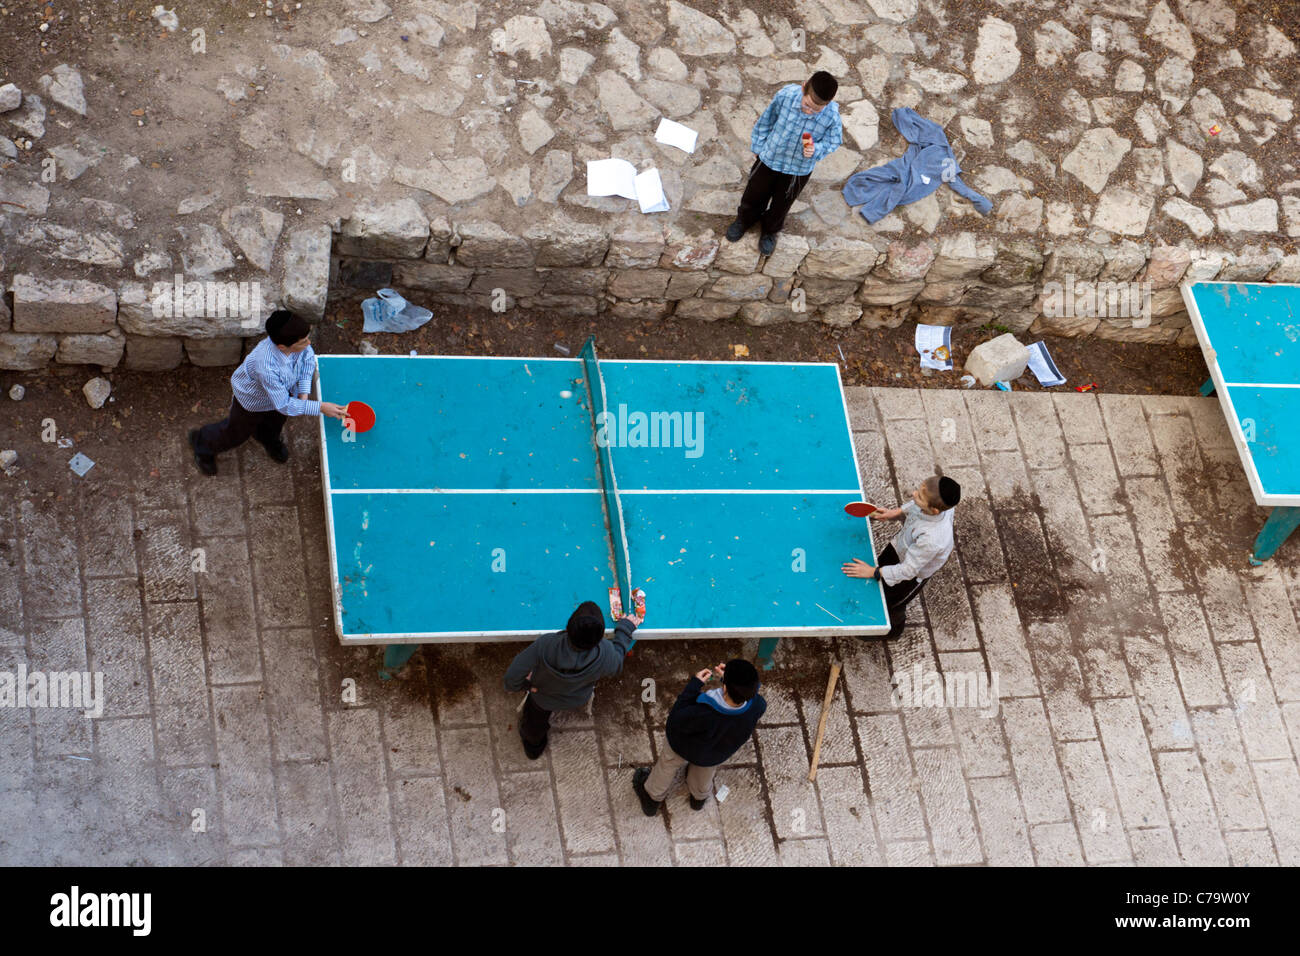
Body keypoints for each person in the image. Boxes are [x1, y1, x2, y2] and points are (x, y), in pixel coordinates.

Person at [188, 309, 348, 476]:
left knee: (275, 423)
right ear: (282, 346)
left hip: (280, 395)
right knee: (236, 433)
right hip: (252, 402)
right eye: (304, 341)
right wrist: (321, 407)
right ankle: (202, 442)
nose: (308, 343)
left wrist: (304, 392)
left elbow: (307, 361)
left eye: (307, 338)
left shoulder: (300, 344)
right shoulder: (266, 367)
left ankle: (267, 438)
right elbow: (284, 405)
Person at [503, 600, 642, 760]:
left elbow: (512, 677)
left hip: (543, 697)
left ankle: (533, 748)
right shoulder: (606, 654)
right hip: (577, 698)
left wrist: (525, 685)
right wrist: (624, 630)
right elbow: (617, 664)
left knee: (534, 723)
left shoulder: (546, 644)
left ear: (568, 628)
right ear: (600, 637)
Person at [726, 71, 843, 256]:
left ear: (828, 104)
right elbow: (767, 120)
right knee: (754, 193)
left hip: (798, 169)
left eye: (816, 110)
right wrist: (758, 145)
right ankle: (745, 220)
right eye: (807, 105)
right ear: (804, 87)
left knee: (782, 203)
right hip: (770, 157)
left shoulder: (832, 116)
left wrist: (817, 150)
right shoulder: (786, 95)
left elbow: (833, 141)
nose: (809, 112)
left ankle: (769, 231)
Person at [632, 659, 765, 815]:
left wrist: (694, 684)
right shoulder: (758, 706)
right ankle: (699, 798)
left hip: (683, 747)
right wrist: (728, 680)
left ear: (725, 687)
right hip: (715, 754)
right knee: (704, 771)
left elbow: (677, 718)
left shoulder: (704, 712)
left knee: (668, 764)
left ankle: (652, 798)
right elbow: (749, 696)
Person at [842, 475, 961, 638]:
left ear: (934, 511)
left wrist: (874, 572)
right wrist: (896, 512)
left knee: (891, 603)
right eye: (918, 490)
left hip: (912, 575)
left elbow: (908, 571)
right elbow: (916, 505)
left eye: (919, 496)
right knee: (879, 581)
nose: (913, 494)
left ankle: (894, 629)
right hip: (902, 547)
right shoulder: (939, 504)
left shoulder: (932, 540)